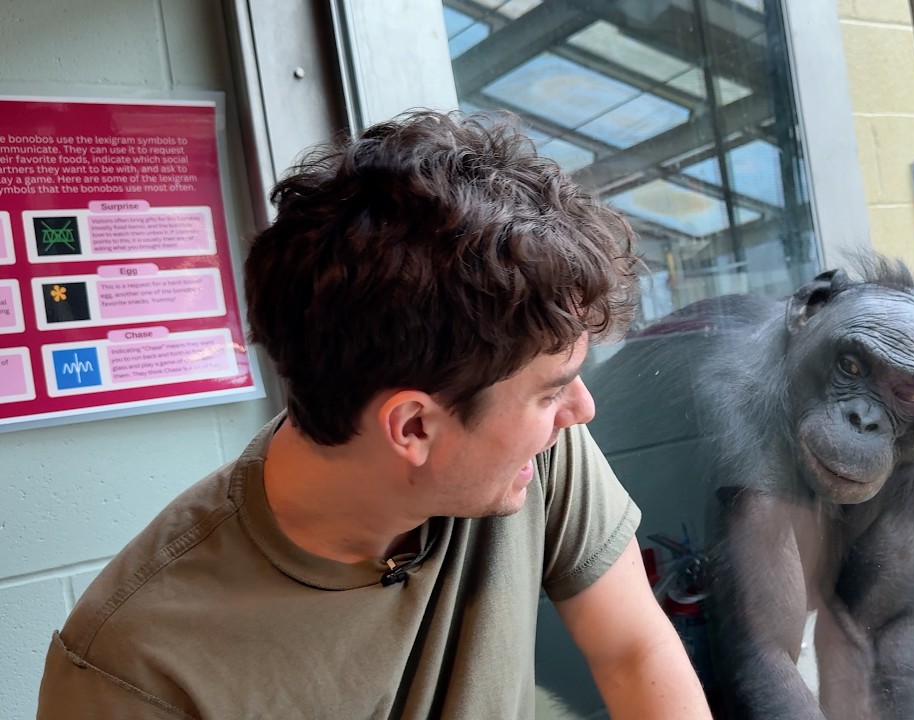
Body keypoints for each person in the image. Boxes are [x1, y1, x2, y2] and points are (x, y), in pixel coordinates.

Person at [37, 110, 712, 719]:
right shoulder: (132, 673)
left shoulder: (534, 451)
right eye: (549, 391)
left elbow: (633, 652)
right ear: (414, 427)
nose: (580, 409)